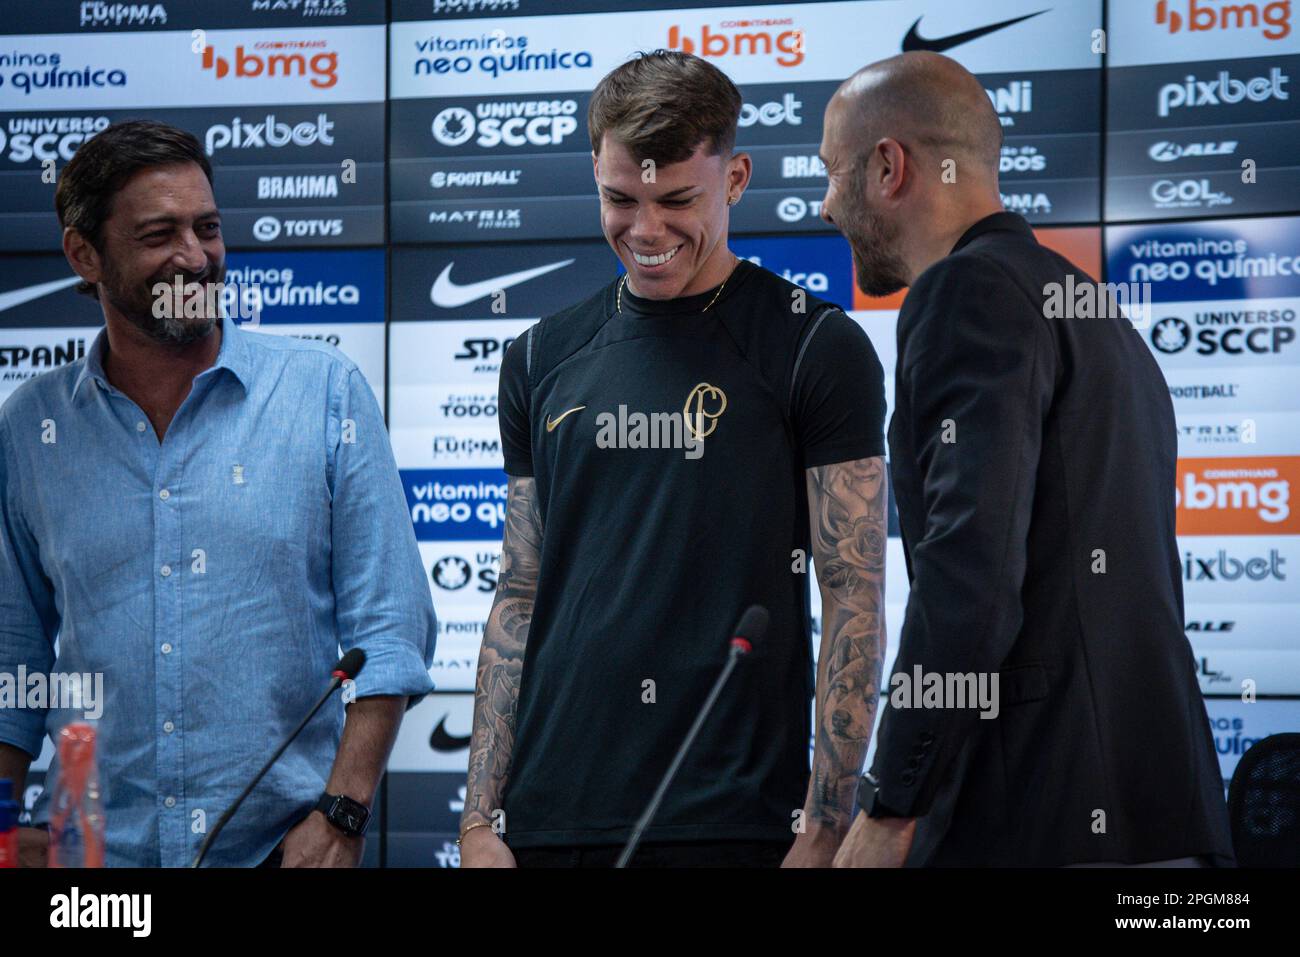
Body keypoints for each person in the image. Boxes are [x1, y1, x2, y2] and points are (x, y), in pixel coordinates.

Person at [458, 50, 888, 868]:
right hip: (548, 823)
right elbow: (520, 587)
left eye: (677, 199)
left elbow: (854, 598)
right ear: (593, 171)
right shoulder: (538, 355)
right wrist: (481, 818)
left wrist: (825, 823)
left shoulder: (815, 346)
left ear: (735, 179)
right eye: (620, 198)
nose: (646, 231)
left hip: (736, 824)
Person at [818, 52, 1234, 867]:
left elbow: (968, 583)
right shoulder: (1093, 310)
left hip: (1037, 813)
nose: (827, 205)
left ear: (888, 166)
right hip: (1163, 814)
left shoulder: (964, 293)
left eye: (833, 175)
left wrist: (893, 803)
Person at [0, 120, 436, 867]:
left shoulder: (323, 392)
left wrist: (343, 813)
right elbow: (13, 662)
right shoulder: (31, 426)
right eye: (159, 234)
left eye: (207, 228)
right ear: (84, 254)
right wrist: (4, 833)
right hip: (96, 870)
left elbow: (389, 631)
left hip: (280, 851)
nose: (195, 258)